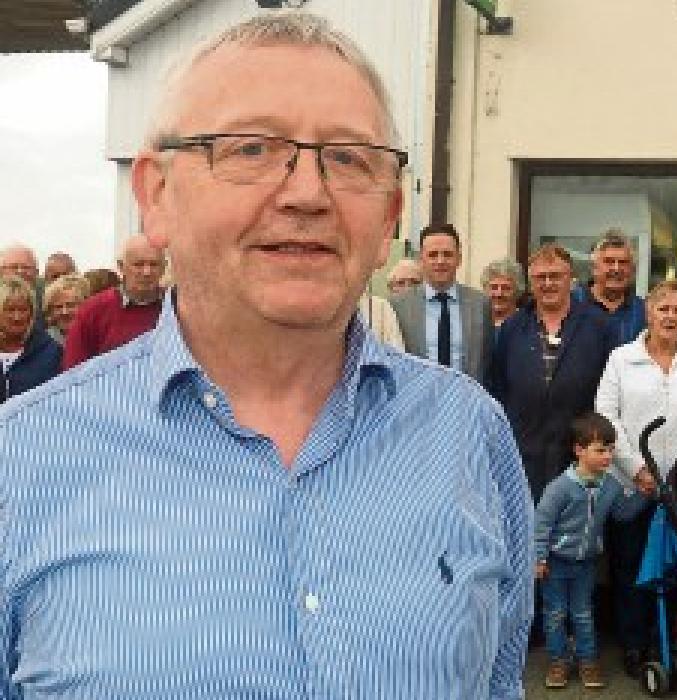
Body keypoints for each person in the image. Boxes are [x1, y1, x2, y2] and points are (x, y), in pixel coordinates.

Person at [0, 13, 532, 699]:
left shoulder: (470, 436)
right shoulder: (23, 463)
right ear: (155, 196)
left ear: (390, 218)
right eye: (249, 149)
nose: (308, 194)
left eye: (347, 157)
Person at [595, 279, 677, 677]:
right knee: (630, 567)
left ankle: (660, 639)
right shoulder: (621, 359)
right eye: (662, 308)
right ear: (648, 311)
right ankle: (634, 646)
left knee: (672, 569)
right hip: (632, 483)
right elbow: (606, 416)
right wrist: (636, 468)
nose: (670, 316)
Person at [490, 242, 617, 503]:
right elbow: (497, 388)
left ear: (571, 279)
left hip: (578, 459)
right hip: (523, 459)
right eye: (540, 277)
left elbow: (610, 391)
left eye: (555, 276)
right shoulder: (513, 328)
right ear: (530, 282)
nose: (547, 284)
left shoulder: (598, 326)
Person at [534, 411, 624, 690]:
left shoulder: (611, 486)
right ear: (579, 451)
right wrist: (538, 558)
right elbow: (541, 524)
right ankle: (558, 661)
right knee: (555, 613)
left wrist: (649, 497)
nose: (608, 456)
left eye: (611, 450)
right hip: (555, 563)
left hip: (586, 563)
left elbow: (621, 514)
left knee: (584, 613)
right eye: (600, 450)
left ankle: (587, 661)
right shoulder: (560, 488)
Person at [392, 223, 492, 381]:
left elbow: (487, 361)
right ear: (421, 259)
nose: (440, 261)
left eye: (447, 254)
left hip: (467, 400)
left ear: (459, 259)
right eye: (432, 255)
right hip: (418, 401)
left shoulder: (481, 304)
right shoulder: (399, 306)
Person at [61, 234, 166, 369]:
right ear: (121, 267)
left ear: (164, 267)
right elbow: (73, 372)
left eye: (154, 264)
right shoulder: (93, 311)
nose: (147, 272)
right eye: (138, 265)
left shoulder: (177, 309)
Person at [571, 228, 646, 344]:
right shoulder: (571, 303)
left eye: (623, 262)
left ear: (632, 270)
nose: (616, 269)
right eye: (609, 261)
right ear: (594, 268)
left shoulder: (643, 312)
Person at [0, 276, 60, 402]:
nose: (17, 317)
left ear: (32, 313)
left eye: (23, 310)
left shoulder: (50, 352)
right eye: (10, 310)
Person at [41, 273, 91, 344]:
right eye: (59, 307)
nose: (65, 312)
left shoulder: (97, 337)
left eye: (71, 305)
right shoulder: (43, 342)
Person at [481, 258, 525, 327]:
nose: (499, 294)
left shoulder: (526, 324)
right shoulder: (476, 323)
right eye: (494, 287)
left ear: (517, 291)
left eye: (506, 288)